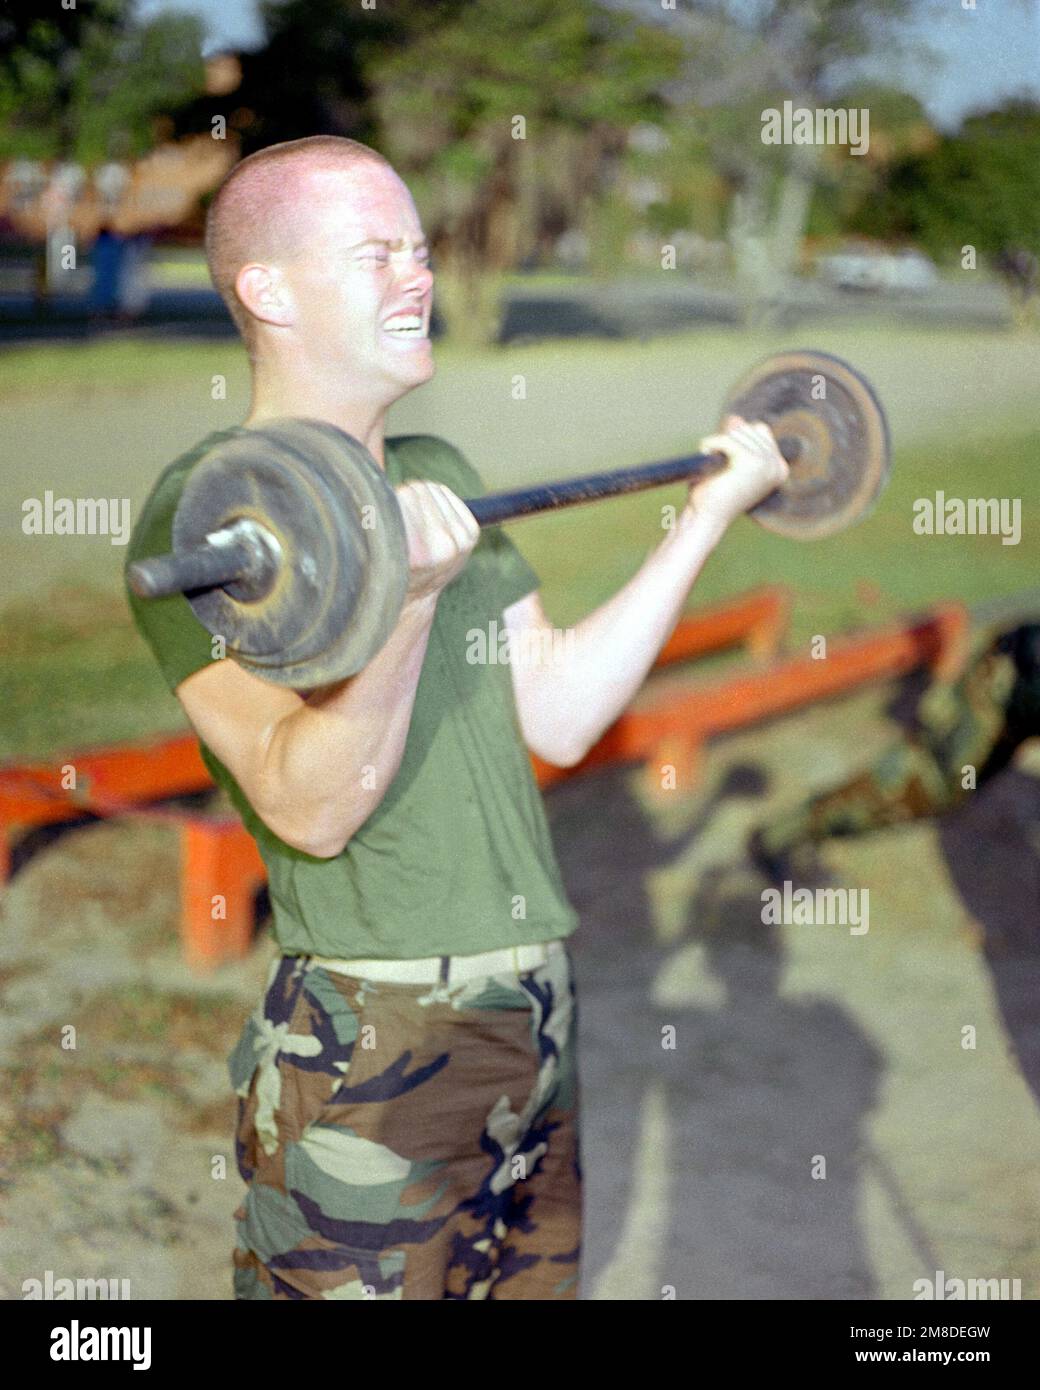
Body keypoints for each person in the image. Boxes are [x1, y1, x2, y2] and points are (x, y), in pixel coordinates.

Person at [124, 134, 787, 1301]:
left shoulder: (437, 470)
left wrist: (709, 514)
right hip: (373, 1026)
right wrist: (410, 601)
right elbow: (308, 806)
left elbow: (567, 712)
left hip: (533, 1001)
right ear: (266, 290)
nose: (417, 276)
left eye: (419, 248)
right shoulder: (209, 517)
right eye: (375, 252)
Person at [750, 621, 1040, 885]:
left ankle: (803, 829)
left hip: (1020, 693)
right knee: (922, 784)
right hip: (1007, 683)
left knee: (941, 788)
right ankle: (784, 833)